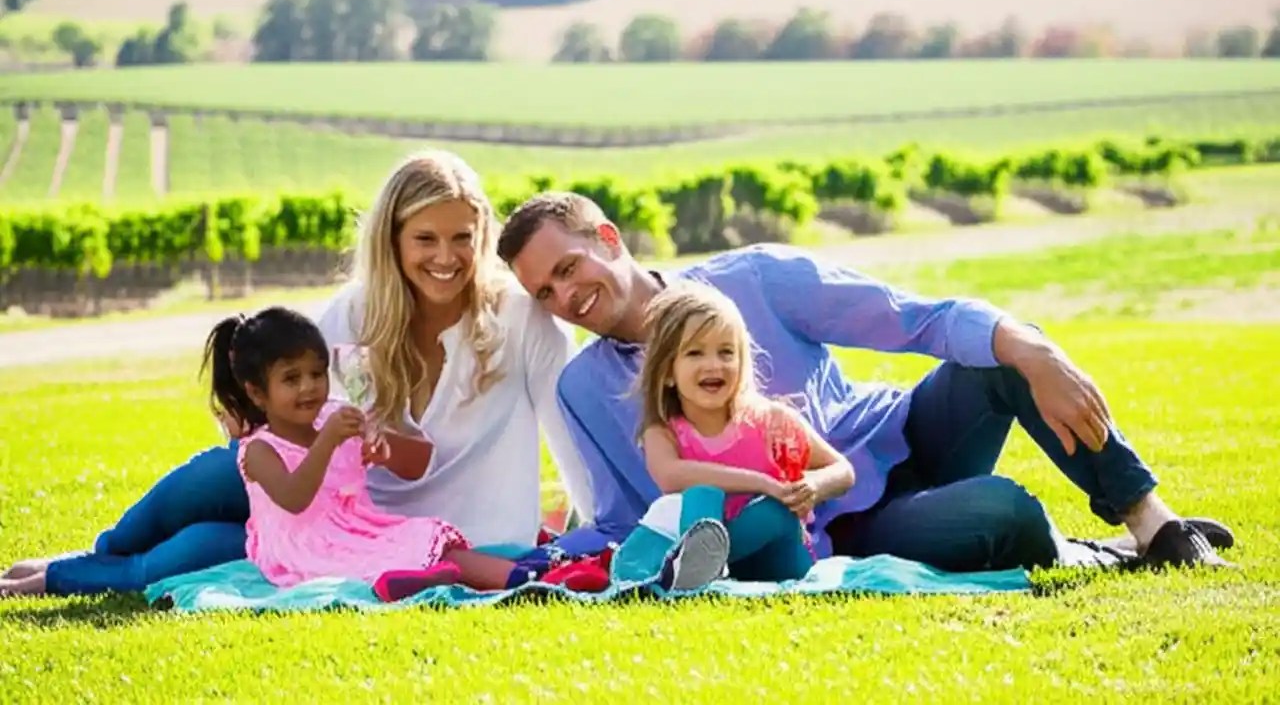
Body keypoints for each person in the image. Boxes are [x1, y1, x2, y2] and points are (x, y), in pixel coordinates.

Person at [495, 190, 1235, 573]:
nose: (567, 299)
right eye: (546, 294)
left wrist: (1033, 350)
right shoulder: (587, 388)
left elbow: (916, 320)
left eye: (568, 269)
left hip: (901, 435)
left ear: (609, 241)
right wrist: (539, 557)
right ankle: (1085, 552)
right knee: (1001, 511)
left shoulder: (757, 277)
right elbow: (634, 516)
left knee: (1001, 362)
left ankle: (1157, 529)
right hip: (840, 521)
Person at [0, 151, 596, 598]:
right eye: (425, 239)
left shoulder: (523, 324)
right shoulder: (355, 312)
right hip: (324, 503)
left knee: (201, 550)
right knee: (212, 474)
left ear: (481, 237)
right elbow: (298, 415)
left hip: (436, 529)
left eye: (462, 238)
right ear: (392, 241)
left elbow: (574, 446)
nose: (446, 257)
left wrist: (594, 531)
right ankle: (98, 551)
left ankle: (64, 575)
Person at [197, 306, 606, 600]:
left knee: (428, 538)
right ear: (256, 392)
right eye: (291, 378)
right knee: (389, 558)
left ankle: (536, 576)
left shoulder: (337, 415)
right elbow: (294, 497)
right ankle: (427, 580)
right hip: (307, 548)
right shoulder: (259, 451)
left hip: (361, 527)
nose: (309, 387)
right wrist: (327, 443)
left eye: (317, 374)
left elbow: (419, 463)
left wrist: (385, 449)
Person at [632, 280, 855, 589]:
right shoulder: (663, 431)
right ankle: (699, 564)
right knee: (701, 494)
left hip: (776, 558)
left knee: (777, 509)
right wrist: (765, 483)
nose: (713, 365)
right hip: (708, 550)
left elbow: (843, 471)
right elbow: (671, 476)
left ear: (742, 362)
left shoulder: (770, 421)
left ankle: (698, 565)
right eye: (695, 353)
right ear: (668, 372)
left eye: (726, 352)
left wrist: (813, 485)